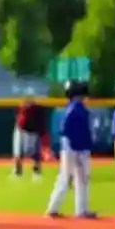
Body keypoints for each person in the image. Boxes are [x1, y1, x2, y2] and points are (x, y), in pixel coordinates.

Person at [46, 80, 96, 219]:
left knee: (79, 179)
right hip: (73, 149)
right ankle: (55, 208)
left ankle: (80, 209)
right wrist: (76, 150)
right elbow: (65, 130)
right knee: (68, 177)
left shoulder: (75, 107)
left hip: (76, 148)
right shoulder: (75, 108)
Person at [12, 96, 46, 179]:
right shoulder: (21, 107)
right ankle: (18, 171)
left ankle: (36, 172)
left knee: (34, 152)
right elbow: (18, 117)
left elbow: (41, 125)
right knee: (18, 151)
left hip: (32, 130)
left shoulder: (37, 110)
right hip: (21, 129)